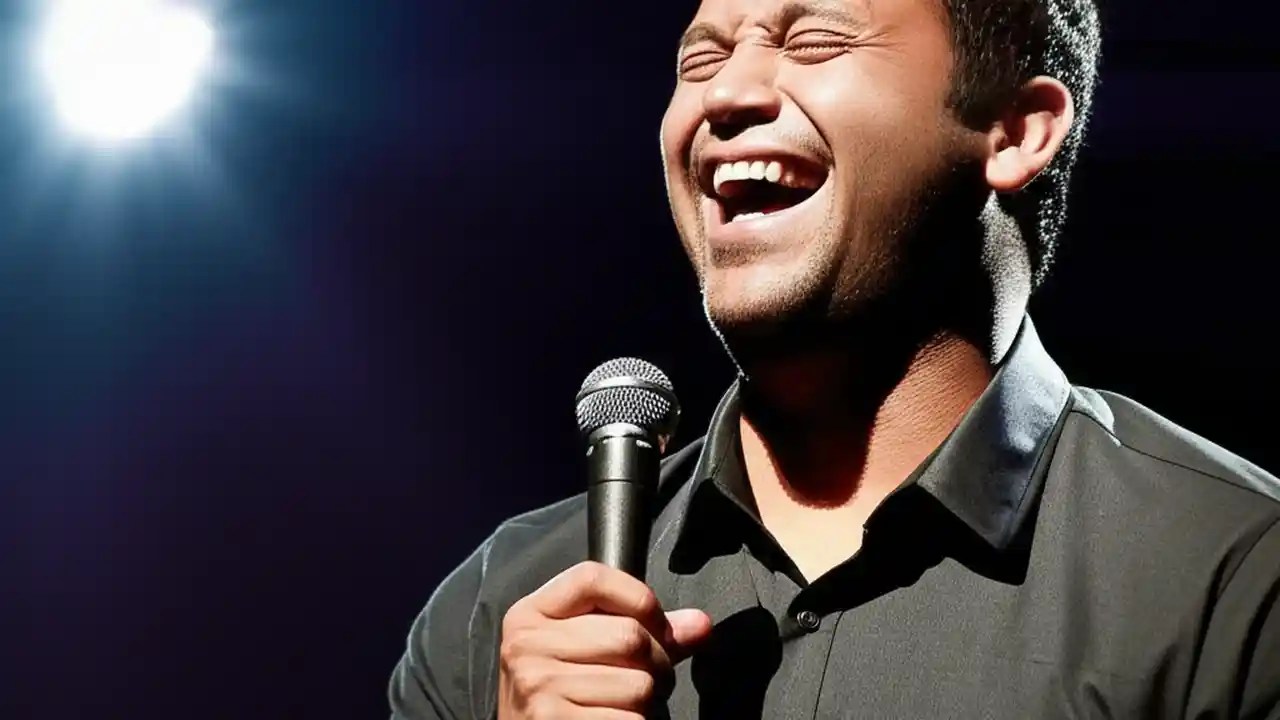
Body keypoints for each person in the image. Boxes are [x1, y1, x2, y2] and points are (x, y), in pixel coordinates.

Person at [389, 0, 1280, 716]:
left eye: (812, 37)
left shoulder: (1231, 579)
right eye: (699, 59)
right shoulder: (498, 609)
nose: (723, 95)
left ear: (1015, 131)